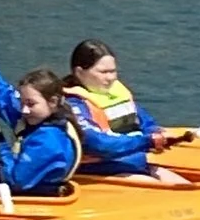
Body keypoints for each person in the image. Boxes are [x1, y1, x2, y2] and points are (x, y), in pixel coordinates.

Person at [0, 29, 83, 198]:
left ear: (53, 102)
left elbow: (14, 180)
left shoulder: (48, 141)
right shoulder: (31, 116)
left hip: (37, 199)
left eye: (31, 104)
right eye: (22, 102)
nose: (24, 109)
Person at [62, 41, 177, 178]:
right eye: (103, 72)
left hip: (135, 164)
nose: (111, 78)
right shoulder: (73, 104)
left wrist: (156, 135)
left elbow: (146, 123)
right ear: (80, 72)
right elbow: (98, 144)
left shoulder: (116, 95)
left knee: (184, 187)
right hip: (102, 171)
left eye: (113, 71)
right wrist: (146, 142)